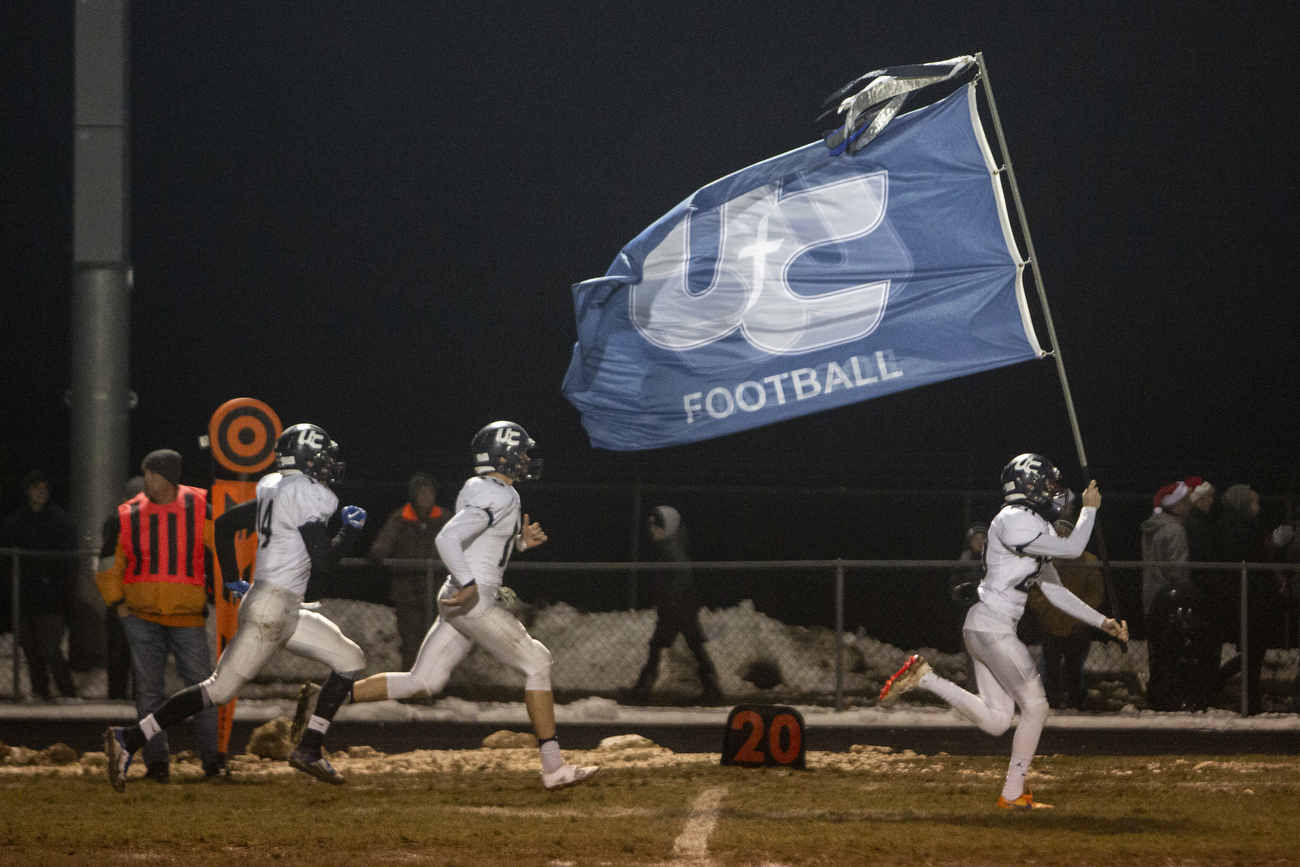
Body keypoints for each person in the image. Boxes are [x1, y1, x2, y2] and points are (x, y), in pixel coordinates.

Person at [337, 421, 600, 791]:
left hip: (456, 598)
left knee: (422, 681)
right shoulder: (499, 495)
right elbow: (448, 539)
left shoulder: (486, 488)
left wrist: (518, 545)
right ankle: (554, 767)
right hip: (471, 600)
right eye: (521, 452)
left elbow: (479, 545)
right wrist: (472, 584)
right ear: (503, 456)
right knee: (538, 663)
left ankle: (331, 697)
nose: (527, 459)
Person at [105, 424, 368, 791]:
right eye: (323, 457)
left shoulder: (274, 486)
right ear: (307, 459)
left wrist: (232, 577)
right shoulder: (310, 494)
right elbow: (324, 561)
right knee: (218, 690)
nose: (328, 464)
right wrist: (350, 531)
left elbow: (227, 523)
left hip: (279, 605)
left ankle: (309, 747)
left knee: (351, 660)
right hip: (272, 609)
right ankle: (130, 739)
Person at [878, 454, 1127, 810]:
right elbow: (1073, 548)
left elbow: (1056, 592)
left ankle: (925, 677)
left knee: (997, 721)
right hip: (992, 627)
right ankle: (1012, 794)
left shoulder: (1031, 527)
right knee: (1037, 708)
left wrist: (1102, 622)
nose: (1053, 491)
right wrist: (1089, 511)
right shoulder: (1014, 519)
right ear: (1029, 485)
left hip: (985, 626)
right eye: (1047, 484)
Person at [95, 452, 220, 781]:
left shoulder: (199, 507)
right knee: (151, 692)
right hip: (141, 618)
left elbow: (225, 548)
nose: (145, 479)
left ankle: (213, 761)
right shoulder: (129, 513)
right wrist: (118, 604)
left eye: (150, 474)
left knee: (204, 691)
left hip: (187, 618)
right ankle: (158, 764)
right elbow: (107, 564)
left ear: (167, 476)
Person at [628, 506, 722, 704]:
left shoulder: (670, 547)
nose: (653, 531)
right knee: (693, 644)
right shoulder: (669, 544)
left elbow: (684, 573)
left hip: (677, 607)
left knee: (658, 645)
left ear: (668, 527)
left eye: (657, 527)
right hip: (680, 606)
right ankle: (711, 685)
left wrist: (671, 597)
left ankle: (643, 689)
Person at [0, 470, 79, 700]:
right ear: (28, 490)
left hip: (49, 599)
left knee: (50, 649)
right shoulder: (15, 522)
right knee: (31, 649)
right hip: (24, 597)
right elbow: (6, 561)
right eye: (36, 487)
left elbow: (68, 563)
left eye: (44, 487)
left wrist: (62, 591)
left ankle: (68, 693)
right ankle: (40, 691)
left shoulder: (60, 522)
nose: (41, 492)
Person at [368, 472, 450, 669]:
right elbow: (384, 542)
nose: (426, 496)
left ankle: (433, 691)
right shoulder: (399, 519)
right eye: (421, 491)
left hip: (439, 594)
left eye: (429, 491)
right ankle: (411, 693)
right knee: (411, 644)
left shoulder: (445, 519)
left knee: (437, 645)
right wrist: (378, 553)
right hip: (407, 594)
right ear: (413, 495)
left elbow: (462, 545)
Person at [1026, 516, 1103, 710]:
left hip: (1076, 625)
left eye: (1065, 533)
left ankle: (1077, 701)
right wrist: (1043, 608)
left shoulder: (1088, 560)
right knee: (1050, 666)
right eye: (1057, 533)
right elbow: (1032, 590)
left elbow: (1096, 591)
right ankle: (1050, 702)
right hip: (1051, 624)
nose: (1061, 536)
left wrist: (1081, 611)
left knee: (1075, 667)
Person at [99, 476, 144, 701]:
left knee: (119, 655)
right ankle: (141, 702)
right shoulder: (146, 520)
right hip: (140, 600)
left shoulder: (114, 521)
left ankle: (116, 703)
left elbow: (106, 565)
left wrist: (115, 601)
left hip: (122, 600)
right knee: (142, 656)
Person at [1140, 481, 1193, 615]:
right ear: (1176, 505)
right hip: (1170, 598)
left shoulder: (1151, 527)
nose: (1190, 504)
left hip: (1150, 594)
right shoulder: (1175, 530)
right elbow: (1178, 570)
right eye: (1186, 500)